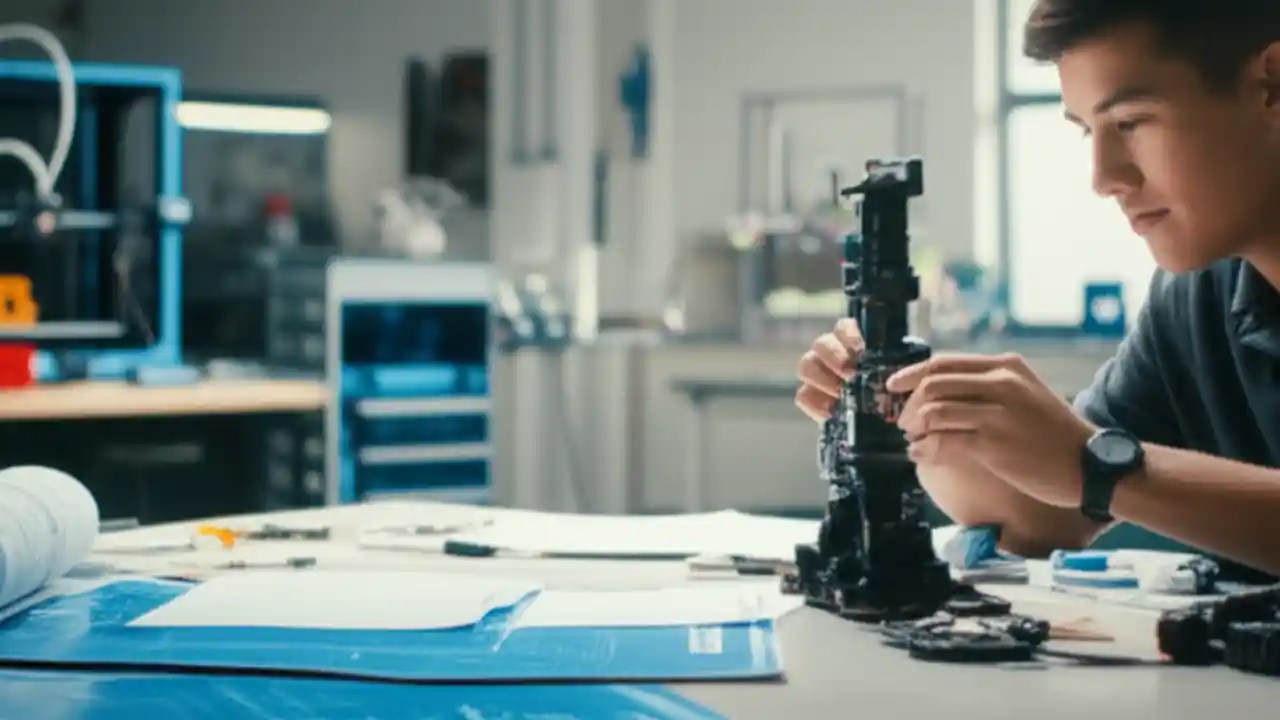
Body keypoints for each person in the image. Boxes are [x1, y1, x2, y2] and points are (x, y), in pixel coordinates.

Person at [795, 0, 1280, 580]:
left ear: (1271, 85)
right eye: (1087, 132)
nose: (1104, 179)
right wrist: (902, 414)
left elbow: (1092, 475)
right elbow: (1046, 516)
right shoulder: (1197, 297)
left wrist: (1099, 468)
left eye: (1131, 123)